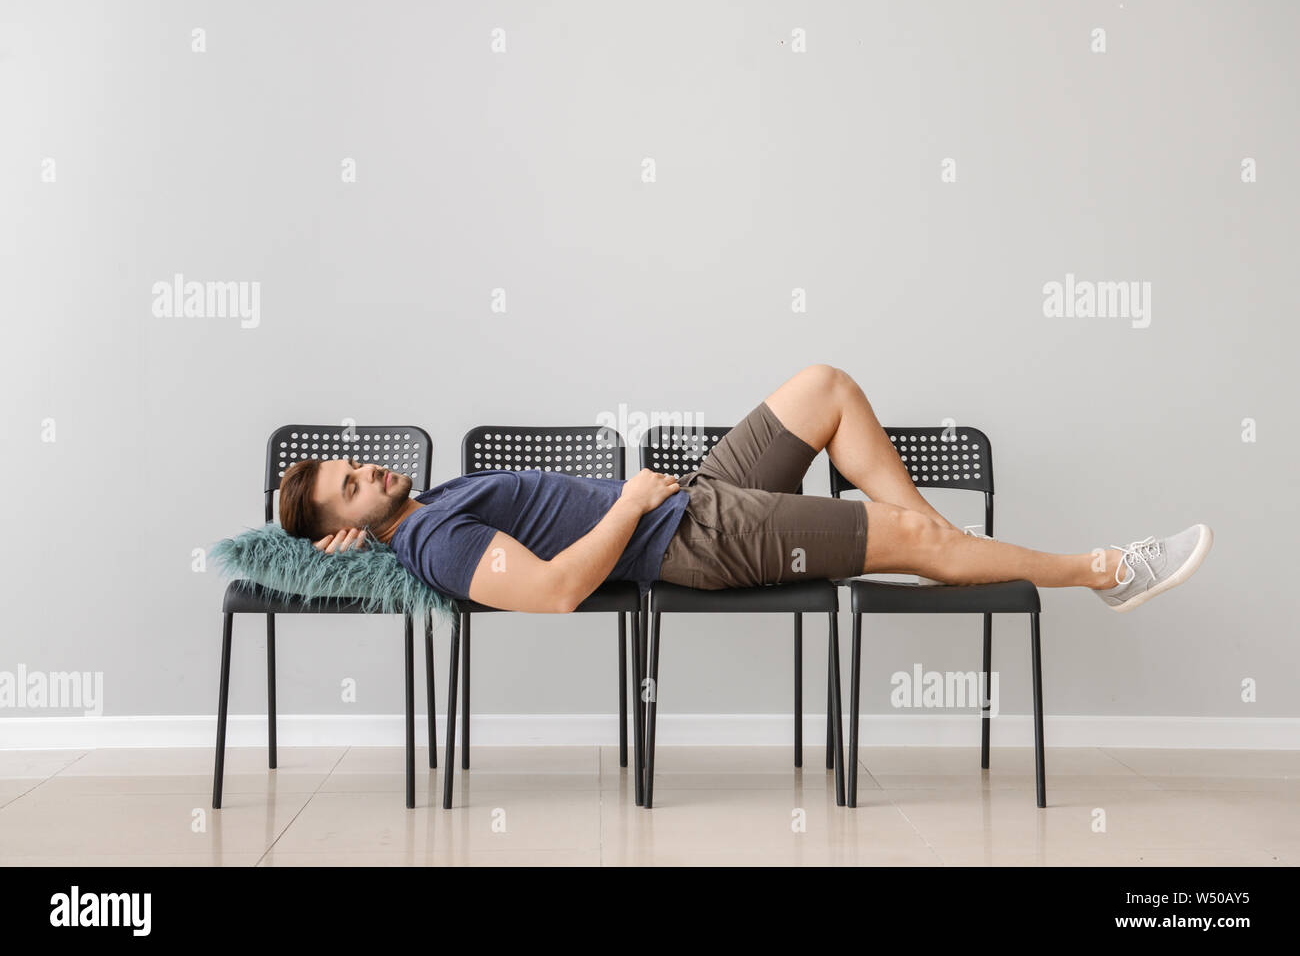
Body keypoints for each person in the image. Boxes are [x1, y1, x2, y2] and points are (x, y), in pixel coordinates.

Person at [275, 365, 1212, 614]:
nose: (371, 471)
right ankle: (1104, 571)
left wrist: (359, 545)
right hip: (690, 539)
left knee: (824, 387)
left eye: (357, 463)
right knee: (914, 538)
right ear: (343, 519)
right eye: (351, 486)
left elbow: (364, 547)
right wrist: (636, 504)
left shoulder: (424, 507)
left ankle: (937, 546)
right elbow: (556, 592)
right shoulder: (434, 542)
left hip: (691, 499)